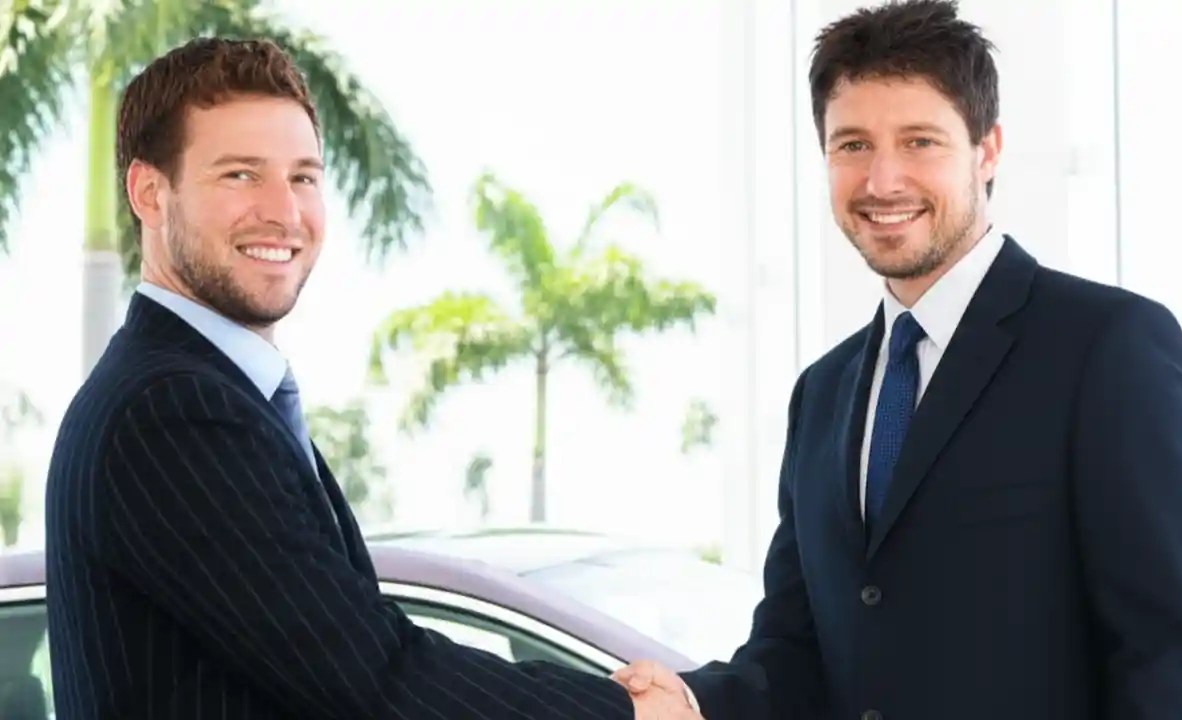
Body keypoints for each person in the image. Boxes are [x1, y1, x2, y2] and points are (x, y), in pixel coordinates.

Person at [44, 37, 699, 720]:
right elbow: (369, 674)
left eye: (303, 176)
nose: (284, 211)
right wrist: (620, 711)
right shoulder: (171, 411)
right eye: (240, 175)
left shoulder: (204, 393)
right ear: (150, 192)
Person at [613, 1, 1182, 718]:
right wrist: (691, 701)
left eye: (919, 142)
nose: (882, 181)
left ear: (987, 150)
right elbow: (796, 648)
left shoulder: (1109, 348)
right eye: (852, 146)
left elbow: (1169, 663)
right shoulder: (823, 394)